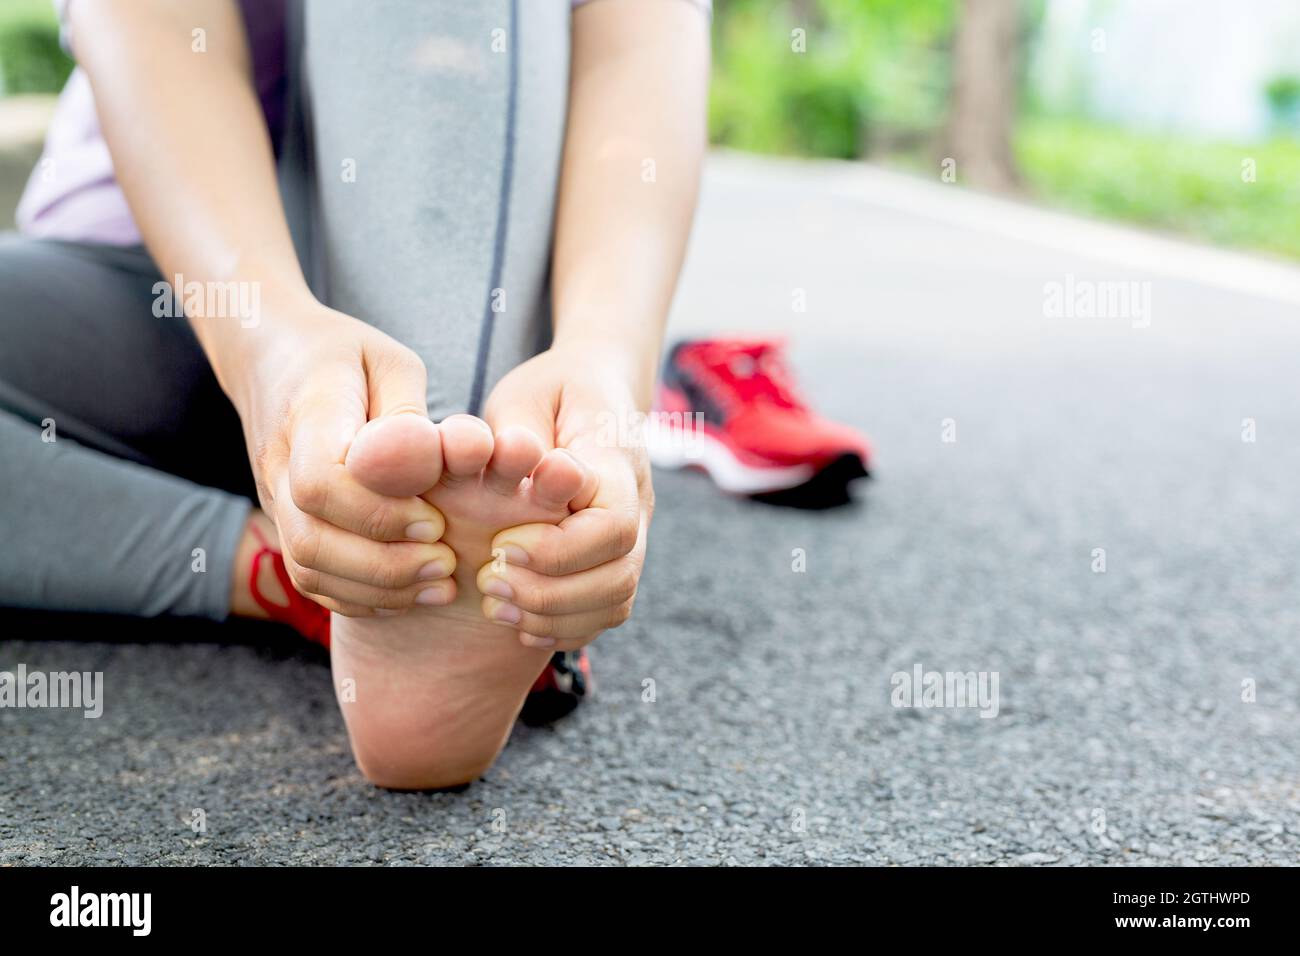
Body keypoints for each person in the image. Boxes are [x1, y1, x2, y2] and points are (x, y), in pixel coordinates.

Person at [0, 0, 710, 788]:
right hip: (167, 289)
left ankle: (419, 540)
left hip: (445, 359)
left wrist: (602, 365)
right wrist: (270, 344)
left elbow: (638, 42)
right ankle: (358, 569)